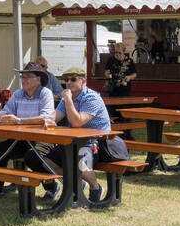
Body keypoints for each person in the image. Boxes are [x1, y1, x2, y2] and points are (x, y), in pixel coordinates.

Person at [45, 66, 127, 204]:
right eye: (66, 80)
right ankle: (75, 185)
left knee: (79, 164)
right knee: (47, 162)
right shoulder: (67, 98)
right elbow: (54, 117)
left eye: (73, 79)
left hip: (96, 143)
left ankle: (96, 188)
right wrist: (48, 121)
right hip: (73, 142)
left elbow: (77, 122)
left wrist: (68, 99)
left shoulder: (91, 98)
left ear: (83, 82)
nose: (68, 83)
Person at [0, 63, 57, 196]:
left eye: (28, 77)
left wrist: (18, 121)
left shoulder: (45, 93)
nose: (24, 80)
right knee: (0, 149)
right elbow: (6, 111)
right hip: (22, 139)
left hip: (43, 139)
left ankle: (51, 186)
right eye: (22, 77)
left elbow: (46, 118)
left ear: (39, 79)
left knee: (33, 156)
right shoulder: (18, 93)